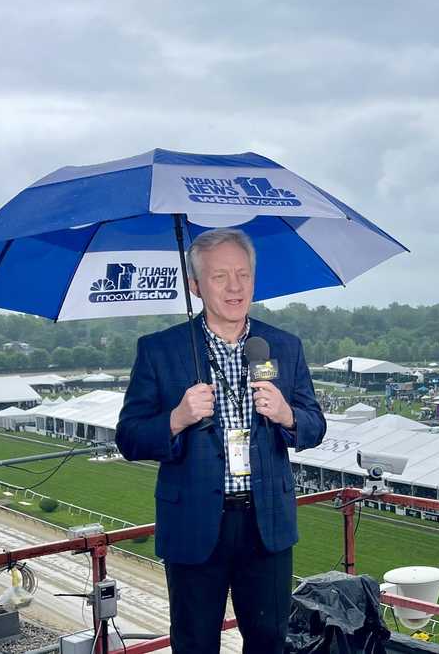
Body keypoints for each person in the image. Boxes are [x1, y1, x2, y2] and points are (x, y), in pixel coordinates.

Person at [116, 228, 326, 653]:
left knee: (269, 641)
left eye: (243, 275)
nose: (235, 287)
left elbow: (315, 425)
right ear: (195, 285)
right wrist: (176, 419)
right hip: (194, 524)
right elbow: (129, 437)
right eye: (219, 277)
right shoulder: (161, 350)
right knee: (195, 642)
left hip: (265, 523)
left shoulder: (282, 346)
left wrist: (287, 415)